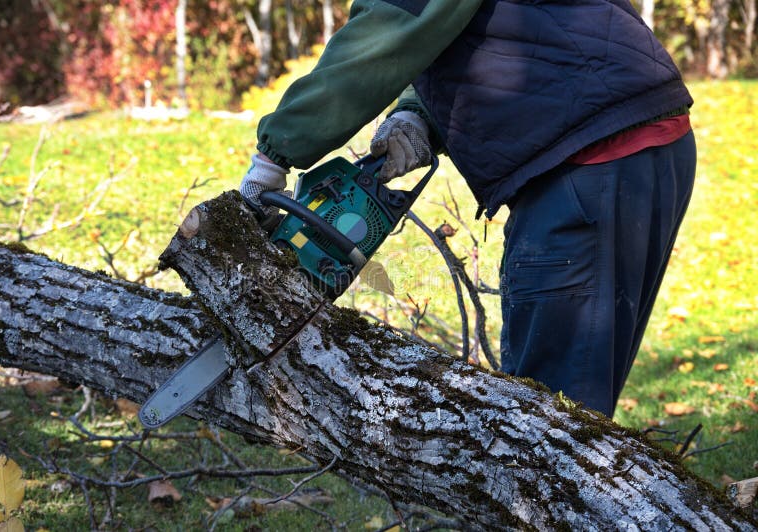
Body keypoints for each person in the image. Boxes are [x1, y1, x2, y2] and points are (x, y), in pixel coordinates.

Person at [237, 0, 696, 417]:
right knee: (581, 393)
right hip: (643, 137)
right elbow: (490, 26)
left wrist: (273, 157)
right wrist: (418, 115)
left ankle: (557, 507)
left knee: (552, 418)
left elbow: (380, 39)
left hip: (592, 157)